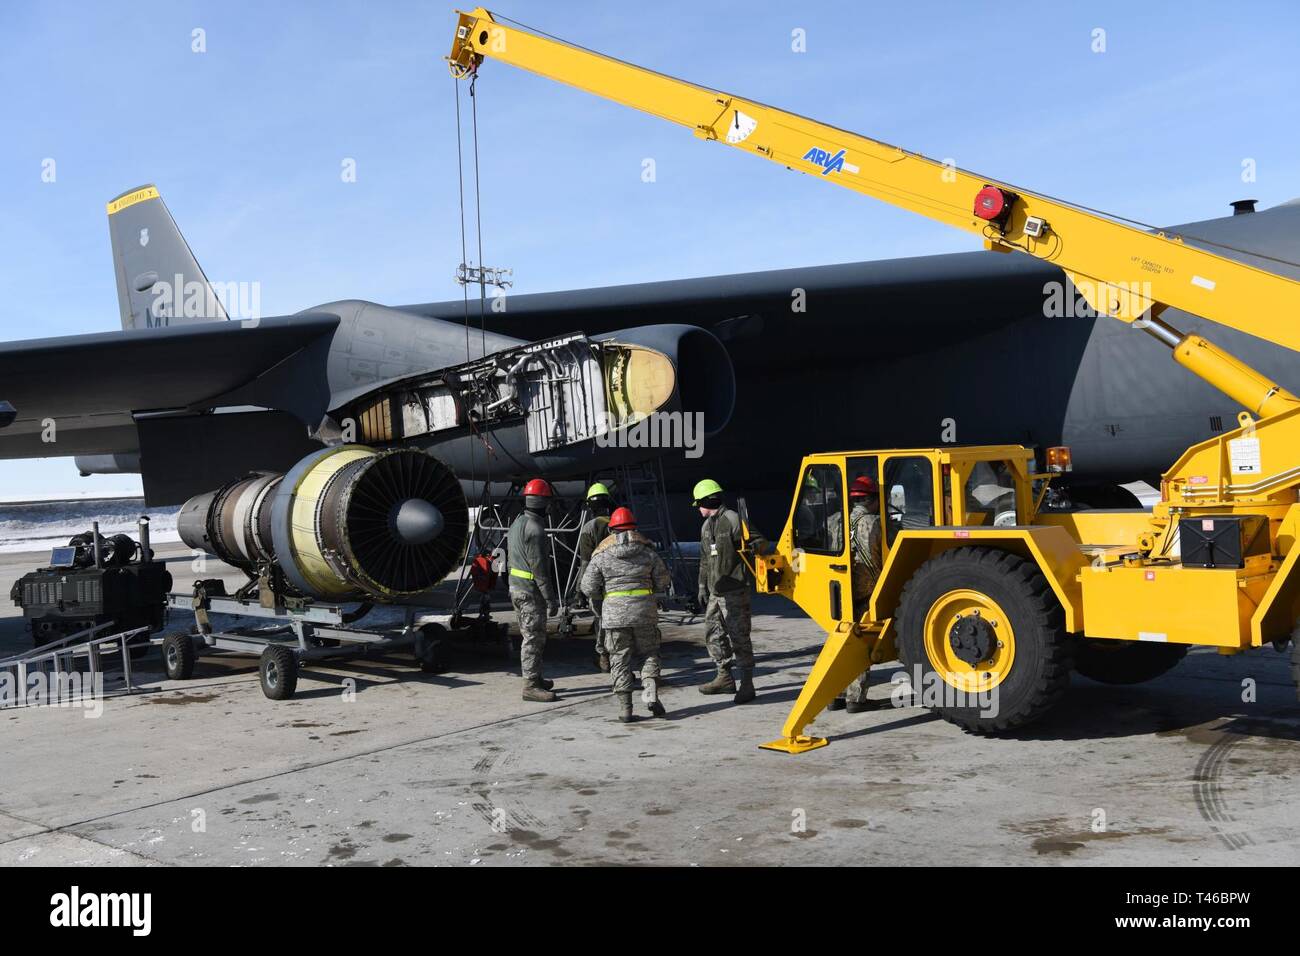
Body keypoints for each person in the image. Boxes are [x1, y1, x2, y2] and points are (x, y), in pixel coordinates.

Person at [581, 507, 671, 722]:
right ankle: (649, 689)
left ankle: (626, 709)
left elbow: (588, 587)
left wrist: (606, 593)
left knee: (619, 658)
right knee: (649, 652)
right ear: (634, 528)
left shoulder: (602, 555)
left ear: (611, 529)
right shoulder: (648, 552)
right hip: (644, 612)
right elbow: (664, 582)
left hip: (614, 615)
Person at [693, 478, 766, 704]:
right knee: (713, 634)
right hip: (716, 592)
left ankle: (747, 683)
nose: (698, 509)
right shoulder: (707, 527)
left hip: (735, 590)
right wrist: (702, 586)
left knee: (739, 636)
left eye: (699, 504)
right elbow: (705, 559)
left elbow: (760, 542)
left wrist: (755, 546)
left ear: (708, 501)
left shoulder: (733, 520)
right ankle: (724, 677)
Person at [830, 475, 885, 713]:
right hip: (867, 591)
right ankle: (855, 699)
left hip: (839, 591)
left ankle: (835, 695)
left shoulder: (835, 520)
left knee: (839, 641)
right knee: (861, 644)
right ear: (872, 499)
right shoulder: (876, 523)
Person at [508, 477, 560, 702]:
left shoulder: (517, 522)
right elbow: (540, 569)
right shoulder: (536, 529)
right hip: (529, 592)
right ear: (543, 503)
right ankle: (530, 686)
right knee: (533, 638)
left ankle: (536, 677)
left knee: (533, 636)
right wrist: (551, 599)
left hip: (516, 589)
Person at [575, 482, 615, 672]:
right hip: (618, 583)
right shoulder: (619, 524)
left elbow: (585, 563)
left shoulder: (588, 528)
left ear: (590, 505)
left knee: (601, 620)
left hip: (598, 584)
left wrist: (579, 591)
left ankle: (604, 657)